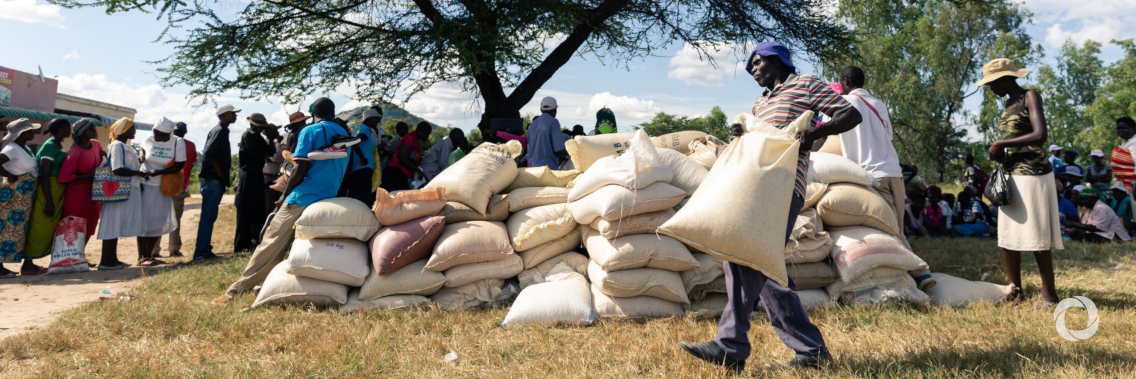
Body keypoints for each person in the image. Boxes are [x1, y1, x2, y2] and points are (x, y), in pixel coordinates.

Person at [680, 42, 862, 371]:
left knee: (746, 258)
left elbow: (850, 114)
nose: (753, 69)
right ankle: (810, 353)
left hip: (783, 187)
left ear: (779, 61)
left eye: (758, 62)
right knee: (760, 266)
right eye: (751, 64)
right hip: (754, 185)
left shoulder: (805, 84)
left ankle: (730, 343)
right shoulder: (759, 103)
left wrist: (813, 135)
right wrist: (742, 134)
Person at [214, 97, 350, 305]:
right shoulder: (344, 136)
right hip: (328, 196)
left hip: (303, 197)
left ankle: (236, 290)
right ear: (333, 113)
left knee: (271, 242)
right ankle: (269, 283)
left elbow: (300, 168)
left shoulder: (309, 131)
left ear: (313, 114)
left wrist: (284, 196)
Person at [831, 65, 933, 287]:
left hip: (872, 174)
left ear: (846, 82)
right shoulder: (879, 105)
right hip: (894, 172)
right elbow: (888, 136)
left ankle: (920, 273)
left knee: (889, 230)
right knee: (897, 225)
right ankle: (910, 272)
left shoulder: (844, 104)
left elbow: (829, 134)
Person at [979, 58, 1061, 306]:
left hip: (1034, 175)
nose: (990, 88)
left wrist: (1002, 143)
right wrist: (998, 152)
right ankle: (1015, 291)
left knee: (1037, 235)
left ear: (1006, 78)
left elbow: (1040, 135)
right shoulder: (1007, 104)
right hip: (1012, 173)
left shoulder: (1030, 96)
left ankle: (1049, 295)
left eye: (992, 83)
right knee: (1008, 235)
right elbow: (1018, 139)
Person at [23, 118, 72, 275]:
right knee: (39, 227)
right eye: (67, 128)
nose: (69, 130)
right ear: (60, 129)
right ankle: (27, 264)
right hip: (48, 190)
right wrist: (49, 202)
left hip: (57, 190)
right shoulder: (49, 147)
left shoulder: (59, 145)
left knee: (50, 228)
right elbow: (45, 175)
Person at [135, 117, 186, 264]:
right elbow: (142, 147)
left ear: (168, 134)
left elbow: (179, 165)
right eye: (155, 133)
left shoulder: (177, 142)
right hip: (145, 186)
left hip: (163, 187)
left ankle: (148, 255)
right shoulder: (149, 138)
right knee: (143, 221)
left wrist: (159, 172)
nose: (156, 136)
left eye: (159, 135)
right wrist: (141, 154)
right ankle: (141, 256)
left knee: (157, 222)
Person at [194, 104, 239, 261]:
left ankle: (205, 249)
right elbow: (209, 154)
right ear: (224, 115)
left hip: (214, 179)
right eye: (233, 113)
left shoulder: (222, 130)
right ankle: (200, 252)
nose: (235, 116)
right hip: (212, 179)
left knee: (209, 217)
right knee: (208, 217)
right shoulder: (219, 131)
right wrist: (219, 173)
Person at [0, 119, 43, 277]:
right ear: (20, 134)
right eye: (29, 131)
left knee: (14, 230)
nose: (33, 133)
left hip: (22, 198)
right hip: (12, 196)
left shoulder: (24, 148)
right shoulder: (12, 149)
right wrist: (10, 175)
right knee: (6, 230)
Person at [57, 119, 104, 249]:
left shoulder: (95, 144)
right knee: (73, 230)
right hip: (77, 198)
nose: (94, 131)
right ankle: (70, 258)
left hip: (93, 195)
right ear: (82, 132)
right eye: (91, 129)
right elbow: (66, 177)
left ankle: (80, 256)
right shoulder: (75, 152)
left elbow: (101, 153)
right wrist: (92, 175)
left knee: (89, 228)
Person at [152, 122, 197, 258]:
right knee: (176, 218)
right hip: (179, 184)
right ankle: (174, 248)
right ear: (185, 131)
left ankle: (154, 249)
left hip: (161, 183)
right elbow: (191, 165)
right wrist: (186, 184)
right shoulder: (189, 145)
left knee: (158, 217)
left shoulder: (165, 143)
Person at [233, 113, 272, 253]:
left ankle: (249, 241)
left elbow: (270, 153)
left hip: (257, 175)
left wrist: (271, 138)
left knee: (255, 210)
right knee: (244, 210)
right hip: (248, 174)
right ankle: (239, 245)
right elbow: (256, 154)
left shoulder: (260, 138)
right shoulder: (248, 136)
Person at [345, 108, 383, 206]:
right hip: (362, 168)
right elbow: (355, 143)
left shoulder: (368, 131)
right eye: (376, 119)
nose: (378, 121)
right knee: (362, 195)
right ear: (369, 119)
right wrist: (362, 158)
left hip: (366, 167)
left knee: (363, 194)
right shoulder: (364, 131)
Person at [1067, 188, 1131, 243]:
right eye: (1081, 200)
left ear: (1093, 198)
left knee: (1085, 237)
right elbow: (1085, 226)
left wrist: (1074, 224)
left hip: (1116, 237)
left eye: (1084, 199)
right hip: (1104, 234)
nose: (1083, 202)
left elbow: (1097, 228)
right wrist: (1077, 229)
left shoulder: (1102, 208)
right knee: (1076, 234)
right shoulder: (1090, 210)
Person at [382, 122, 429, 191]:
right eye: (427, 134)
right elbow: (403, 158)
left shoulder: (415, 141)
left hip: (402, 174)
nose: (427, 137)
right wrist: (418, 170)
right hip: (395, 173)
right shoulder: (410, 139)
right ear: (420, 131)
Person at [527, 97, 568, 170]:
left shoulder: (532, 125)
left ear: (541, 110)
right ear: (554, 110)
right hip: (547, 170)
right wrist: (571, 154)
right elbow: (559, 149)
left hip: (532, 170)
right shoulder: (553, 122)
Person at [263, 124, 284, 214]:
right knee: (268, 202)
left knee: (273, 202)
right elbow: (275, 158)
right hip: (267, 177)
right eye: (276, 130)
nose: (278, 132)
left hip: (275, 177)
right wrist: (278, 143)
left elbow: (280, 159)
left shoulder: (275, 145)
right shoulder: (266, 143)